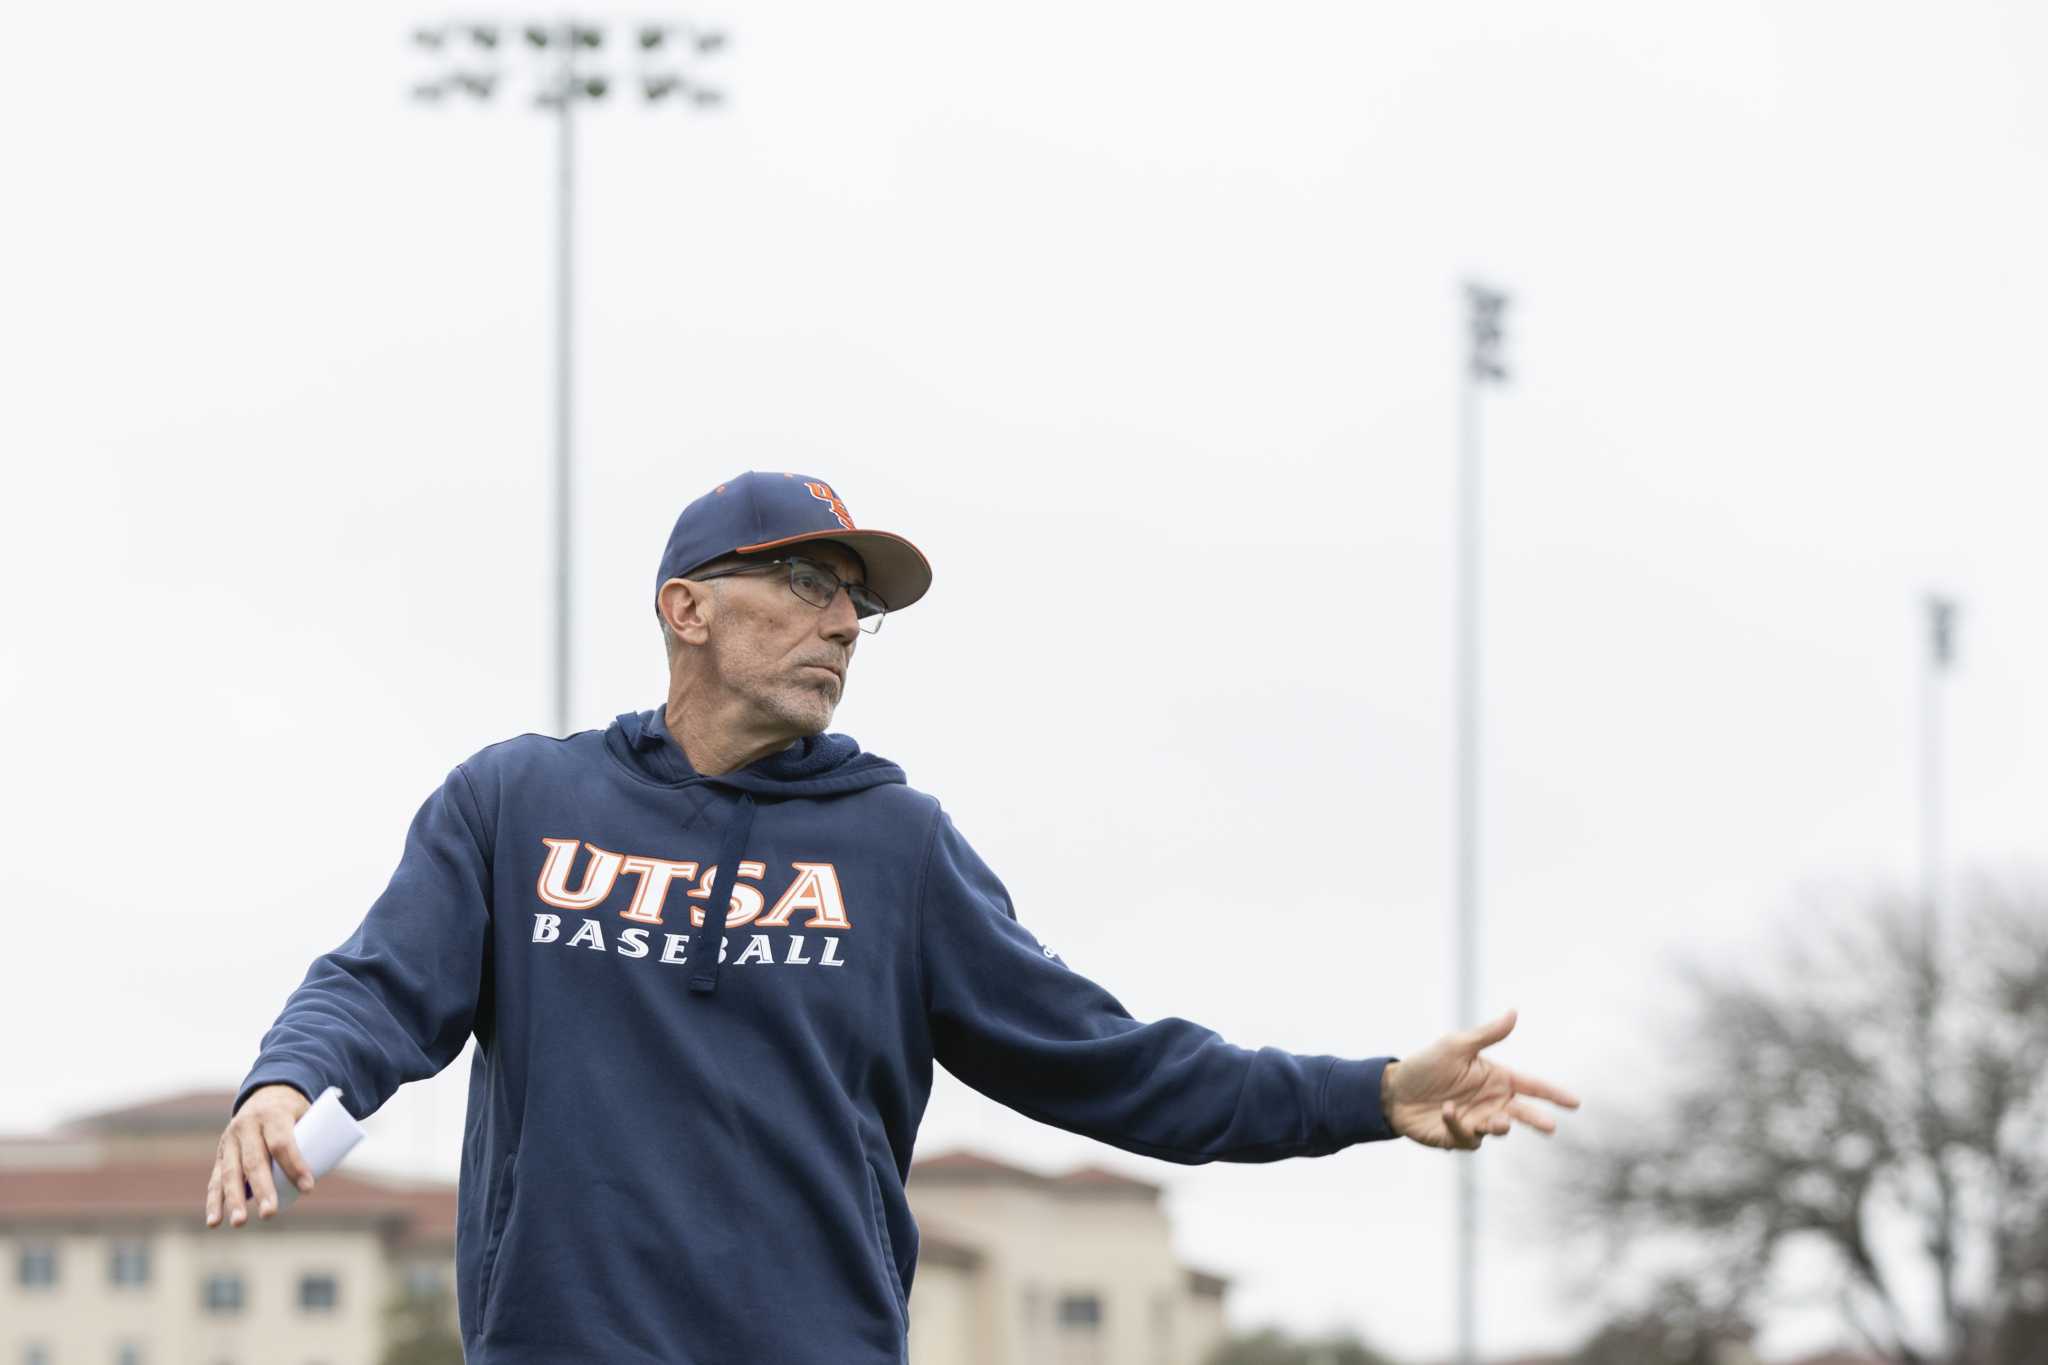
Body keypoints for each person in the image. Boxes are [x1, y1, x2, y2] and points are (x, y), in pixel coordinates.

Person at [206, 470, 1579, 1364]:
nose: (842, 622)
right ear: (686, 607)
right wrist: (291, 1076)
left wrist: (1369, 1090)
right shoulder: (519, 801)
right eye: (805, 585)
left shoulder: (897, 846)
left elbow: (1114, 1064)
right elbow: (382, 982)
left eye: (857, 603)